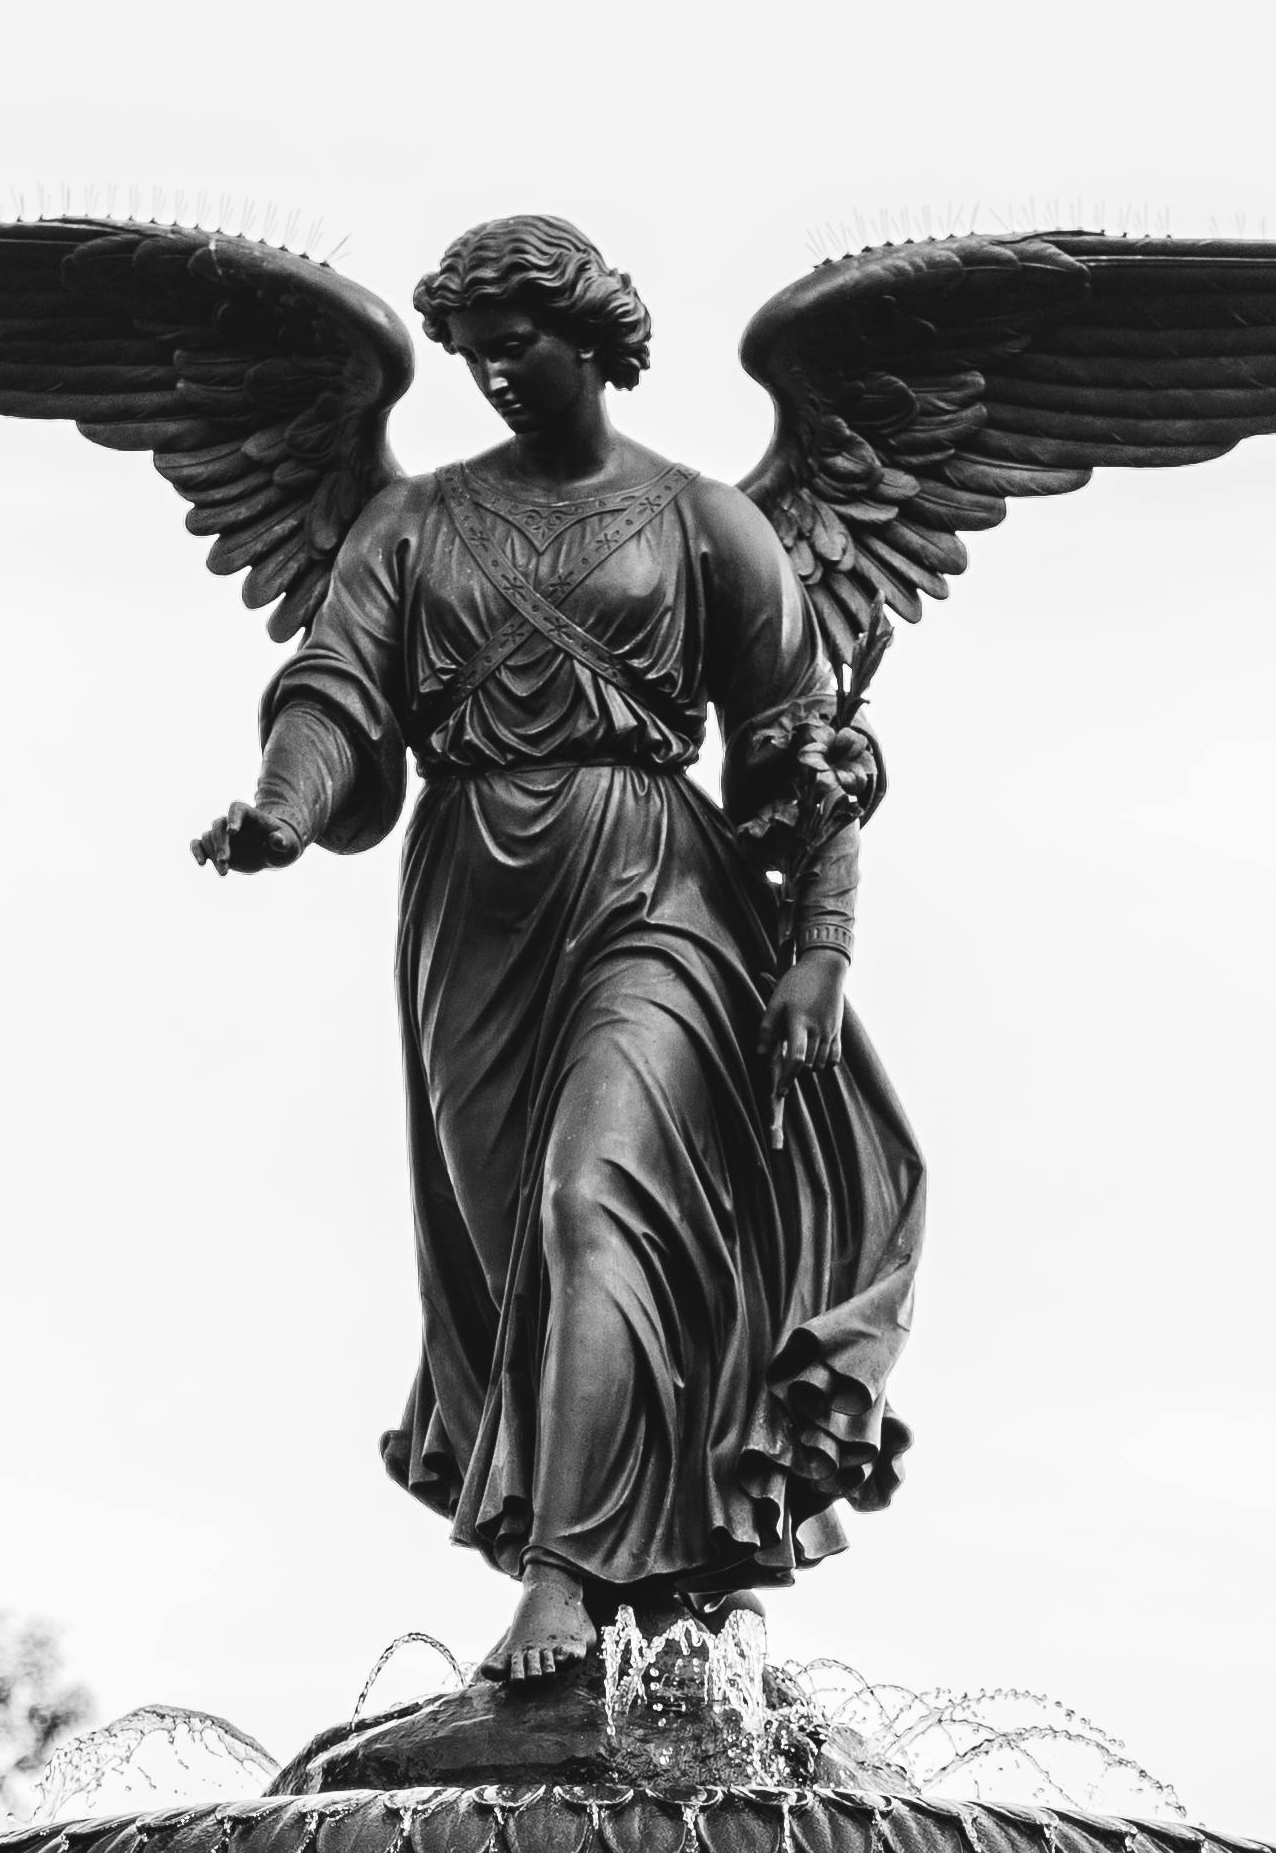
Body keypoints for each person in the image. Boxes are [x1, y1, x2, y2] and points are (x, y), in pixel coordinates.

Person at [189, 214, 925, 1685]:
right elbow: (338, 685)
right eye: (467, 353)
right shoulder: (414, 526)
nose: (492, 374)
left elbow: (803, 752)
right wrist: (280, 807)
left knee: (603, 1196)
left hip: (658, 889)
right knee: (520, 1252)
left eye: (514, 341)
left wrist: (821, 953)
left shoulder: (707, 523)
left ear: (589, 332)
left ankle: (565, 1579)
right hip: (473, 912)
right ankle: (683, 1570)